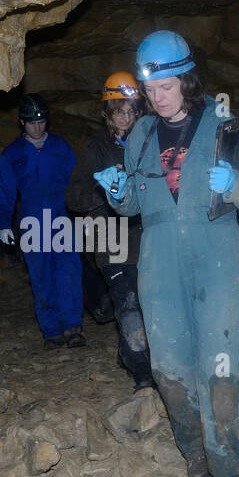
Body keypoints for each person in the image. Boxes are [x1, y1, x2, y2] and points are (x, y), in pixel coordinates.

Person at [94, 31, 239, 477]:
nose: (156, 97)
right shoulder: (142, 135)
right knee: (168, 370)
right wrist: (117, 193)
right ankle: (195, 451)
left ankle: (231, 475)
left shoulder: (224, 127)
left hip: (215, 254)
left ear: (186, 80)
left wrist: (235, 184)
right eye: (151, 90)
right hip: (159, 259)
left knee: (218, 369)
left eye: (166, 86)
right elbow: (134, 202)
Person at [67, 72, 153, 391]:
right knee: (129, 305)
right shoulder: (95, 147)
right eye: (120, 112)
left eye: (133, 111)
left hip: (148, 237)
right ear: (108, 114)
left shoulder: (150, 142)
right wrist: (102, 191)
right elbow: (72, 196)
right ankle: (143, 373)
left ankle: (130, 353)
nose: (127, 119)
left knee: (151, 303)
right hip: (111, 238)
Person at [0, 94, 86, 349]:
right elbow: (5, 192)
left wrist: (84, 214)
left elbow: (77, 183)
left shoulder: (60, 148)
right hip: (32, 222)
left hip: (61, 218)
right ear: (21, 123)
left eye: (42, 122)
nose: (37, 127)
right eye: (32, 123)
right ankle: (51, 332)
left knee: (67, 271)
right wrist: (3, 223)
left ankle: (72, 327)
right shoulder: (12, 155)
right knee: (41, 275)